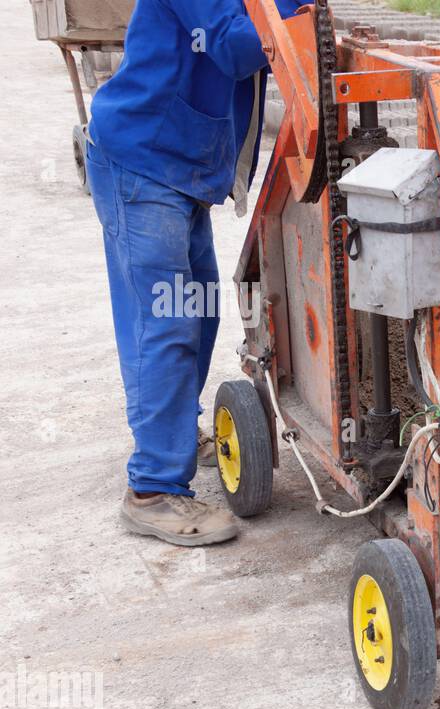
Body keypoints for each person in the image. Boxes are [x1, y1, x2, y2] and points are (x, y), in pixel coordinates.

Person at [85, 0, 302, 547]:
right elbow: (233, 47)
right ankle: (153, 489)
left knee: (197, 317)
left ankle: (178, 433)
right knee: (166, 325)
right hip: (144, 164)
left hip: (181, 168)